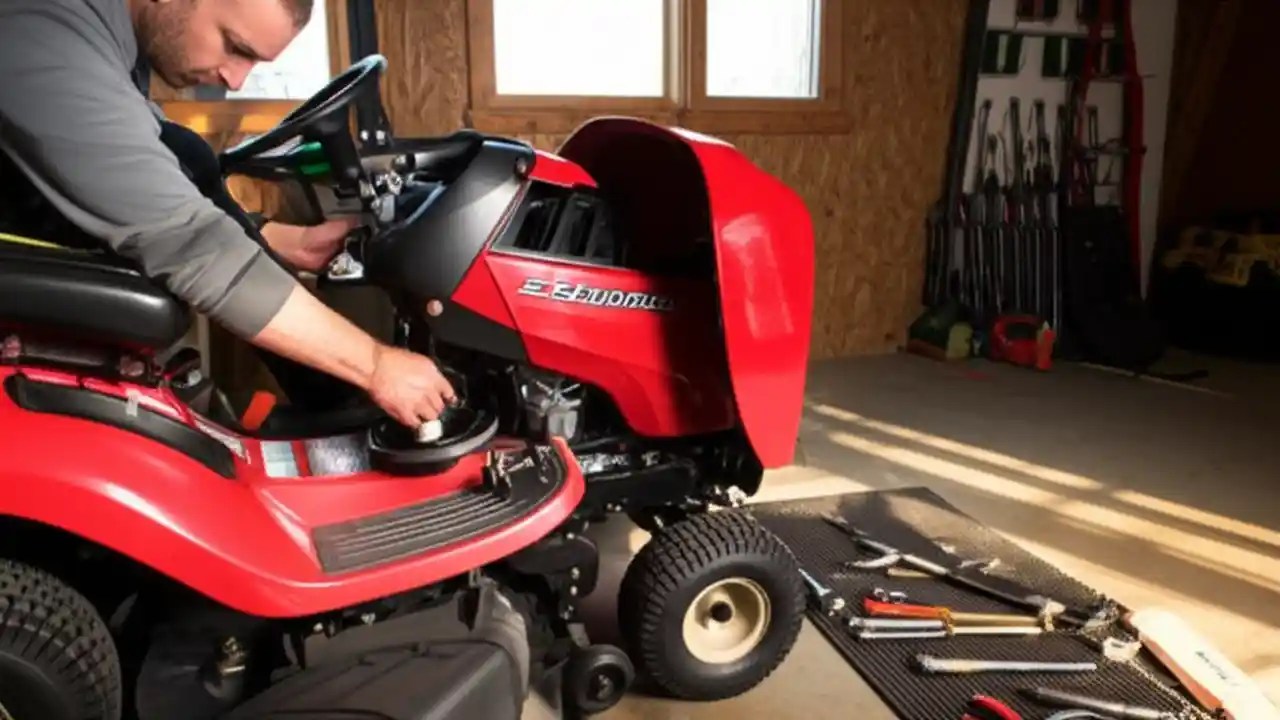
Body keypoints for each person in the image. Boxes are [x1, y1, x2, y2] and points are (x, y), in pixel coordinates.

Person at [0, 0, 455, 429]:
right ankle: (340, 402)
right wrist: (374, 366)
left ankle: (333, 402)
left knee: (186, 153)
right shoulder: (41, 33)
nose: (236, 80)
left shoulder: (101, 30)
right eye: (236, 47)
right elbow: (189, 244)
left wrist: (275, 238)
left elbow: (141, 174)